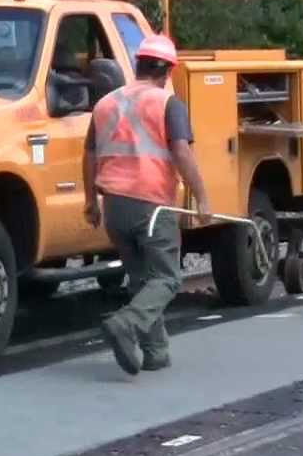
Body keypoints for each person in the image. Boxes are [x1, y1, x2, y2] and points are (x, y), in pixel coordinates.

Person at [82, 33, 211, 375]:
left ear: (138, 64)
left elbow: (90, 154)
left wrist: (90, 201)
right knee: (167, 278)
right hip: (152, 205)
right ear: (168, 70)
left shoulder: (106, 103)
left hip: (114, 206)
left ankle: (155, 351)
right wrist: (202, 197)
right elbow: (181, 152)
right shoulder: (168, 103)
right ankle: (126, 323)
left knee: (141, 279)